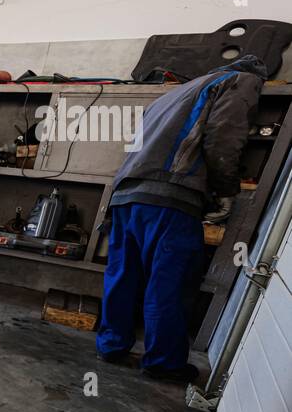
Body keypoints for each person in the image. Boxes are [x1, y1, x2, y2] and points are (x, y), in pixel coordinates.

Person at [96, 54, 267, 382]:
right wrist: (225, 191)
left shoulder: (176, 92)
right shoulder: (241, 81)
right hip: (172, 198)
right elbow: (224, 139)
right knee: (168, 283)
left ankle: (111, 345)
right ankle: (163, 362)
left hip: (127, 196)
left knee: (122, 275)